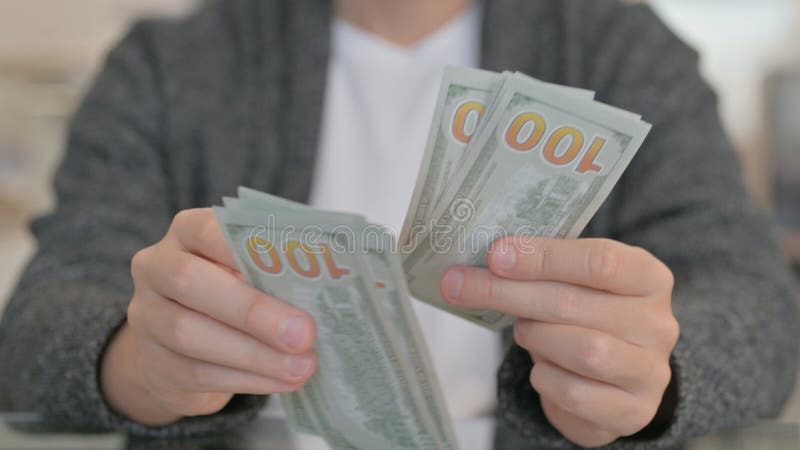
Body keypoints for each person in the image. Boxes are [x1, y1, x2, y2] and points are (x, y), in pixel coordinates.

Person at [0, 0, 798, 448]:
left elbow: (758, 305)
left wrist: (654, 378)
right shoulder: (168, 62)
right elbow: (40, 320)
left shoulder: (624, 48)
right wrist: (140, 365)